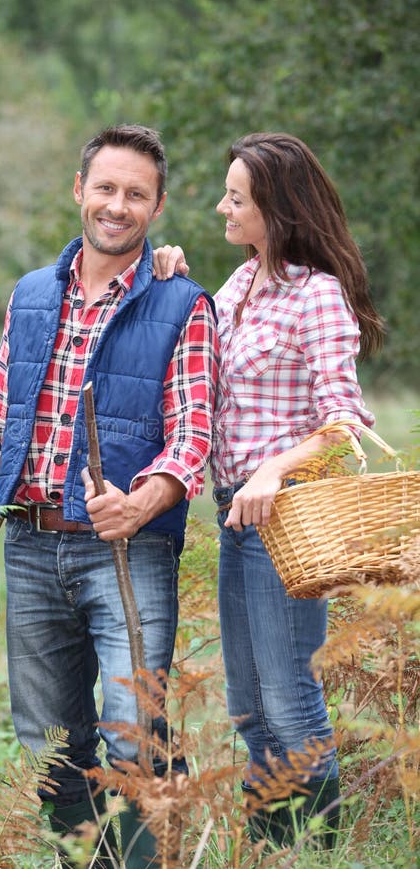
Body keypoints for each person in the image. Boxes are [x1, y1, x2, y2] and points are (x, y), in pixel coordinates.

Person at [0, 124, 218, 868]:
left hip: (126, 553)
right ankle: (94, 863)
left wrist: (139, 503)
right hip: (34, 549)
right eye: (105, 187)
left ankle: (152, 857)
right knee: (49, 744)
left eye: (136, 194)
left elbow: (193, 435)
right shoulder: (32, 294)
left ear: (158, 205)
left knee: (136, 733)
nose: (117, 205)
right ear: (79, 191)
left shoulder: (183, 303)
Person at [154, 131, 384, 847]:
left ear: (276, 210)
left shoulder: (315, 294)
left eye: (236, 198)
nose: (221, 207)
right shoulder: (242, 281)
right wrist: (171, 279)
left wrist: (272, 469)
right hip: (234, 516)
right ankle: (270, 849)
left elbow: (345, 423)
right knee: (250, 704)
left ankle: (314, 851)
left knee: (289, 699)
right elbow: (201, 357)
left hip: (285, 516)